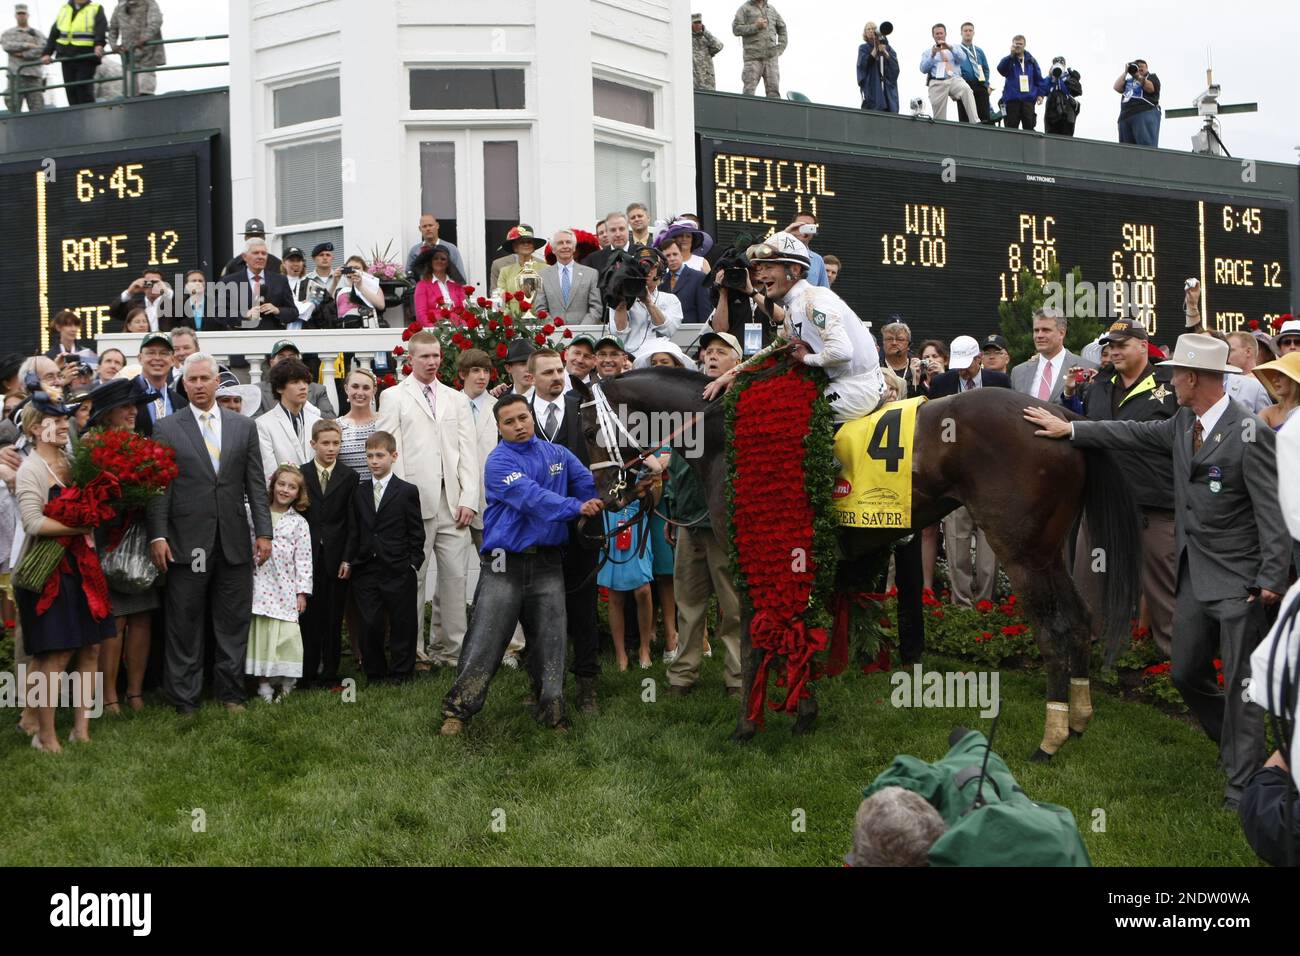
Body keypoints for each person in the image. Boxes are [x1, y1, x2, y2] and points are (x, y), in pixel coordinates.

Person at [1025, 333, 1291, 809]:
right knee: (1186, 672)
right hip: (1194, 574)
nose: (1170, 383)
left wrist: (1272, 578)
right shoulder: (1182, 422)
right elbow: (1130, 434)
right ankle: (1232, 747)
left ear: (1194, 378)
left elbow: (1272, 511)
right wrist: (1072, 430)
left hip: (1243, 583)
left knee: (1241, 686)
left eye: (1175, 376)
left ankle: (1242, 785)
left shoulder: (1250, 433)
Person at [440, 394, 603, 734]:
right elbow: (532, 498)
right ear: (499, 428)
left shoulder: (558, 454)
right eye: (509, 422)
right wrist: (577, 508)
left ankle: (553, 713)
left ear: (532, 417)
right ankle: (457, 711)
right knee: (486, 639)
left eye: (523, 418)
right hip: (503, 564)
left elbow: (587, 484)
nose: (519, 426)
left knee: (552, 641)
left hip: (547, 563)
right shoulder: (498, 462)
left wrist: (605, 496)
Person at [147, 353, 274, 715]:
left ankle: (231, 694)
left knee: (233, 622)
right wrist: (158, 535)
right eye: (192, 380)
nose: (200, 385)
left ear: (218, 383)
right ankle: (184, 698)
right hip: (187, 543)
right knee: (184, 622)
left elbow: (256, 485)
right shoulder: (167, 428)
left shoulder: (243, 427)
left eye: (205, 379)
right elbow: (159, 486)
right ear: (183, 384)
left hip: (234, 542)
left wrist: (264, 532)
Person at [1059, 318, 1180, 656]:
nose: (1113, 351)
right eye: (1109, 346)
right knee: (1089, 582)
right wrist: (1068, 396)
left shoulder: (1169, 384)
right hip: (1101, 501)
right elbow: (1079, 425)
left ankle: (1175, 664)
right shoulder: (1098, 384)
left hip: (1152, 503)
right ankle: (1088, 653)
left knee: (1162, 588)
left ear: (1143, 345)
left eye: (1121, 344)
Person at [14, 389, 113, 751]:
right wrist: (82, 526)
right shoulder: (30, 470)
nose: (61, 425)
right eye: (53, 421)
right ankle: (46, 736)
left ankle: (81, 730)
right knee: (53, 656)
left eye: (62, 420)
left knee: (91, 649)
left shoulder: (74, 463)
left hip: (83, 567)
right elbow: (34, 524)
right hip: (48, 573)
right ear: (36, 428)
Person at [377, 331, 479, 668]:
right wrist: (401, 503)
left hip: (453, 503)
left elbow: (468, 452)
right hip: (413, 504)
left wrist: (469, 498)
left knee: (454, 579)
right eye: (424, 357)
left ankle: (450, 652)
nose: (432, 362)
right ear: (410, 359)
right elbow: (393, 451)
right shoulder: (393, 397)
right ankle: (413, 653)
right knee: (414, 580)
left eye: (436, 355)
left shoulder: (456, 398)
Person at [704, 233, 885, 423]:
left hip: (857, 390)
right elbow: (774, 349)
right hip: (846, 385)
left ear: (795, 269)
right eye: (761, 268)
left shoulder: (813, 301)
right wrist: (732, 374)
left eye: (769, 267)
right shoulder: (795, 306)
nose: (762, 275)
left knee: (780, 414)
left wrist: (805, 357)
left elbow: (841, 352)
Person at [665, 331, 743, 696]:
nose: (711, 357)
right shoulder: (687, 402)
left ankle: (738, 678)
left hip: (723, 523)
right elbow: (677, 461)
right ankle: (683, 675)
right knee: (688, 602)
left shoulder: (741, 402)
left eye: (720, 352)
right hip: (688, 520)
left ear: (736, 361)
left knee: (733, 606)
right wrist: (671, 507)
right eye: (707, 352)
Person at [83, 377, 157, 714]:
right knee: (115, 621)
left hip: (140, 539)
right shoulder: (88, 446)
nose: (133, 411)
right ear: (106, 412)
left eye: (134, 405)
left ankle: (136, 692)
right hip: (104, 540)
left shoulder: (142, 444)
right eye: (125, 406)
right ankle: (110, 696)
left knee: (142, 616)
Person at [341, 431, 424, 684]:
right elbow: (354, 530)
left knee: (402, 622)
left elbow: (416, 530)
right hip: (366, 567)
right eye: (370, 456)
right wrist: (349, 560)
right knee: (370, 622)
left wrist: (413, 562)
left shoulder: (407, 491)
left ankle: (401, 672)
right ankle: (375, 672)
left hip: (398, 567)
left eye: (379, 455)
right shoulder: (359, 491)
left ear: (393, 456)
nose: (374, 461)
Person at [298, 419, 356, 689]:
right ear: (313, 444)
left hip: (336, 558)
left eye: (336, 443)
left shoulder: (349, 476)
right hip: (307, 557)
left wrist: (347, 558)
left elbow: (352, 522)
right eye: (325, 443)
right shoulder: (302, 474)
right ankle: (308, 672)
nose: (331, 448)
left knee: (334, 616)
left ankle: (331, 672)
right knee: (309, 617)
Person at [247, 464, 312, 702]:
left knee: (288, 637)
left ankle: (287, 683)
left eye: (292, 487)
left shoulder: (299, 523)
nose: (285, 490)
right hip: (259, 585)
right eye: (281, 484)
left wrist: (302, 593)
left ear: (298, 492)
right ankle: (263, 686)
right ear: (273, 485)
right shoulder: (253, 512)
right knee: (262, 636)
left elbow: (304, 560)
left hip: (286, 588)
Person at [1010, 307, 1096, 400]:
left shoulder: (1087, 369)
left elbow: (1089, 413)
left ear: (1062, 333)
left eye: (1046, 330)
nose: (1039, 335)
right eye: (1036, 330)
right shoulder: (1018, 372)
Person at [609, 246, 682, 355]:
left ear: (660, 269)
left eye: (652, 266)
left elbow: (669, 330)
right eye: (641, 266)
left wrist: (649, 304)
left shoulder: (671, 300)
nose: (647, 271)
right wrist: (622, 305)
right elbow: (618, 334)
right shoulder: (621, 296)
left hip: (658, 358)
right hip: (629, 357)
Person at [213, 238, 300, 330]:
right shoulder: (229, 281)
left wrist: (277, 310)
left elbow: (293, 313)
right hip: (243, 338)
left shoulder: (280, 280)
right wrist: (245, 315)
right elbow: (219, 313)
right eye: (256, 253)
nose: (260, 256)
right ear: (244, 257)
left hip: (272, 337)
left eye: (264, 253)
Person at [256, 357, 320, 479]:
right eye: (295, 382)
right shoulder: (263, 425)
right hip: (282, 494)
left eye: (305, 381)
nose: (303, 387)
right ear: (279, 388)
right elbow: (270, 473)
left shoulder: (317, 421)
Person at [40, 0, 106, 106]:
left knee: (83, 88)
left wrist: (99, 44)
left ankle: (88, 117)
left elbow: (100, 29)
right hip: (66, 57)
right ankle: (76, 119)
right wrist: (47, 53)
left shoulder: (96, 8)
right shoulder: (65, 9)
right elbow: (54, 33)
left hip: (86, 56)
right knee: (71, 91)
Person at [533, 229, 603, 326]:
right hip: (554, 336)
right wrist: (554, 329)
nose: (565, 246)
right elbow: (540, 309)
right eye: (560, 243)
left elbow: (596, 308)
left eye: (568, 242)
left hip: (583, 336)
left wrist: (580, 331)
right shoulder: (542, 276)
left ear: (574, 248)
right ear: (553, 249)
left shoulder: (591, 274)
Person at [254, 340, 336, 419]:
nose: (287, 360)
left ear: (299, 361)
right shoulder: (258, 391)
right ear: (272, 363)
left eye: (292, 357)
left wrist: (306, 405)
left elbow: (331, 419)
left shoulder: (318, 390)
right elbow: (255, 425)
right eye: (281, 357)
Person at [919, 23, 978, 123]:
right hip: (937, 82)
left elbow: (962, 59)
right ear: (933, 35)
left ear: (945, 34)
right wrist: (932, 55)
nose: (939, 35)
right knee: (939, 117)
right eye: (936, 33)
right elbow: (923, 69)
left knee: (966, 89)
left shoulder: (954, 47)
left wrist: (950, 48)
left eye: (941, 33)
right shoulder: (928, 52)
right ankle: (941, 129)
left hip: (953, 79)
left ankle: (975, 121)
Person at [106, 0, 162, 96]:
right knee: (130, 91)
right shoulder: (120, 7)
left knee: (145, 89)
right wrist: (113, 45)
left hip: (147, 54)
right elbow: (113, 28)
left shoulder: (149, 3)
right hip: (129, 56)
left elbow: (155, 22)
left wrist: (144, 38)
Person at [925, 335, 1011, 396]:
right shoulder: (940, 382)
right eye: (958, 366)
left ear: (979, 358)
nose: (962, 370)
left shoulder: (1000, 381)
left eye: (966, 366)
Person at [732, 0, 786, 98]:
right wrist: (755, 26)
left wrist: (781, 47)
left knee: (774, 93)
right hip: (752, 58)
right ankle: (748, 112)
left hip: (771, 58)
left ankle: (774, 113)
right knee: (749, 91)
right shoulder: (744, 8)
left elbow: (782, 28)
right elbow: (736, 29)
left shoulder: (771, 9)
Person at [657, 235, 710, 325]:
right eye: (668, 256)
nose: (672, 259)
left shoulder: (699, 277)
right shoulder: (661, 282)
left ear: (681, 254)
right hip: (667, 335)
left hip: (692, 333)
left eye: (675, 254)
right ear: (663, 260)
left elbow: (705, 312)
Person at [996, 35, 1046, 130]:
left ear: (1024, 45)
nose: (1018, 46)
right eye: (1016, 44)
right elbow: (1001, 69)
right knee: (1011, 131)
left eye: (1020, 44)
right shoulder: (1009, 60)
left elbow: (1039, 79)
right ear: (1012, 45)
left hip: (1028, 101)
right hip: (1012, 100)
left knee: (1029, 130)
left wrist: (1041, 95)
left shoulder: (1032, 61)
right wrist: (1010, 56)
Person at [4, 4, 47, 112]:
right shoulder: (8, 34)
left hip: (34, 76)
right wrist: (27, 45)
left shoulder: (38, 34)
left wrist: (23, 54)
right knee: (13, 109)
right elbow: (7, 46)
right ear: (15, 15)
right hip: (15, 75)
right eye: (19, 14)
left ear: (28, 15)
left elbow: (43, 49)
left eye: (23, 13)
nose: (21, 16)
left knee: (37, 110)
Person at [413, 244, 468, 326]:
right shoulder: (422, 286)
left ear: (447, 263)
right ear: (430, 262)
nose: (439, 261)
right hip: (434, 332)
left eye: (443, 259)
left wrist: (462, 328)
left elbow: (464, 311)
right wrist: (436, 330)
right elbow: (421, 316)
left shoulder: (457, 286)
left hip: (458, 330)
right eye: (435, 258)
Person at [109, 267, 173, 332]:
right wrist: (129, 292)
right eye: (148, 283)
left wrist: (166, 291)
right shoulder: (134, 306)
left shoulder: (172, 305)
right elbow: (113, 312)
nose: (152, 286)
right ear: (143, 284)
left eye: (156, 282)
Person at [1114, 59, 1161, 147]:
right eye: (1137, 66)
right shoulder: (1128, 80)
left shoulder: (1151, 77)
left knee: (1145, 147)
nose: (1139, 68)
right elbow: (1117, 87)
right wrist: (1126, 72)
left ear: (1147, 68)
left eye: (1141, 66)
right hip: (1125, 116)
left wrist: (1137, 75)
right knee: (1126, 150)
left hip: (1144, 112)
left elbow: (1151, 88)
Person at [405, 214, 466, 280]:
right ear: (420, 229)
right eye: (424, 226)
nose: (428, 229)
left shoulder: (451, 249)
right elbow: (409, 276)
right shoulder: (415, 250)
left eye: (430, 225)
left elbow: (461, 276)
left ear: (437, 226)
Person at [857, 21, 899, 113]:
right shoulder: (863, 48)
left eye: (873, 29)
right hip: (873, 86)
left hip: (887, 89)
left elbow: (895, 68)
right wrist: (876, 48)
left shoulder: (888, 48)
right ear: (865, 33)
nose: (871, 31)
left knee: (890, 111)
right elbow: (865, 64)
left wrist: (884, 51)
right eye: (869, 29)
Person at [955, 22, 992, 123]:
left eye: (970, 30)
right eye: (965, 31)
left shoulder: (979, 51)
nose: (968, 33)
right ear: (961, 33)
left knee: (984, 118)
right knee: (965, 118)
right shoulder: (957, 50)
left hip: (980, 85)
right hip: (964, 85)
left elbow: (986, 69)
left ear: (973, 33)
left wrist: (986, 84)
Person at [491, 223, 542, 296]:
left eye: (529, 242)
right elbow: (495, 293)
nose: (526, 244)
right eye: (522, 242)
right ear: (515, 246)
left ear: (534, 246)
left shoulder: (544, 266)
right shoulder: (499, 265)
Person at [1254, 352, 1300, 432]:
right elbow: (1253, 440)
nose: (1274, 379)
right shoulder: (1267, 413)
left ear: (1294, 381)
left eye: (1282, 374)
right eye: (1275, 374)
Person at [1043, 56, 1082, 136]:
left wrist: (1074, 78)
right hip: (1052, 113)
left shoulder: (1069, 77)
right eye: (1056, 63)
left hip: (1067, 112)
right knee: (1051, 137)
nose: (1058, 65)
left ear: (1064, 66)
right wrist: (1050, 76)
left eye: (1061, 63)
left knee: (1066, 137)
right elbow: (1043, 90)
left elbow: (1078, 91)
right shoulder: (1050, 79)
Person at [692, 13, 723, 90]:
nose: (698, 25)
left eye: (699, 22)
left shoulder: (706, 39)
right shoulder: (687, 39)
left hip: (707, 82)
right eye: (695, 23)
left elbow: (719, 46)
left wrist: (706, 33)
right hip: (693, 82)